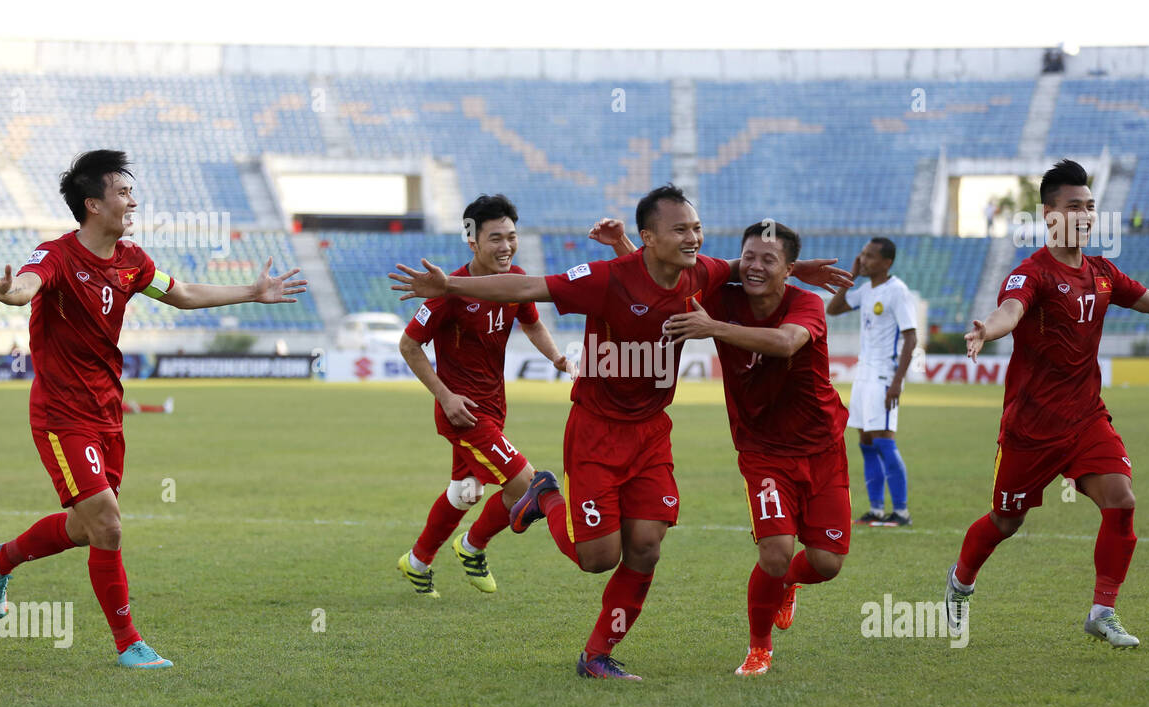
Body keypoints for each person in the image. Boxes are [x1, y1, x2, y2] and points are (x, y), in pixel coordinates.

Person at [390, 185, 848, 680]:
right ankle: (544, 497)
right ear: (649, 237)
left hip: (652, 432)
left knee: (647, 546)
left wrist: (794, 268)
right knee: (597, 559)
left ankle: (597, 655)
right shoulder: (605, 279)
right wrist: (451, 287)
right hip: (597, 431)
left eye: (696, 228)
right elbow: (530, 288)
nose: (694, 237)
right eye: (682, 229)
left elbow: (743, 267)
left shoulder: (701, 272)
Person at [0, 150, 307, 668]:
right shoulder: (56, 255)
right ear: (92, 205)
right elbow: (27, 285)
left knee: (87, 529)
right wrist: (6, 290)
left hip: (108, 412)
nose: (133, 201)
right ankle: (129, 643)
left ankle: (1, 557)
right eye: (123, 193)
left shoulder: (132, 260)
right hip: (63, 417)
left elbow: (182, 293)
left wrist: (252, 291)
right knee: (107, 523)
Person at [945, 159, 1149, 648]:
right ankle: (960, 582)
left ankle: (1103, 611)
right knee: (1006, 522)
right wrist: (985, 330)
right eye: (1074, 206)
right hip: (1031, 429)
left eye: (1091, 206)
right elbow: (1010, 311)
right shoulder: (1029, 273)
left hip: (1086, 420)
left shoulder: (1102, 273)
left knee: (1121, 502)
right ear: (1049, 214)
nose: (1086, 215)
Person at [662, 221, 852, 676]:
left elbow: (786, 343)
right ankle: (758, 648)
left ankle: (788, 585)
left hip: (822, 448)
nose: (756, 266)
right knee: (775, 552)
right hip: (763, 452)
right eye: (749, 256)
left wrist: (715, 328)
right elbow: (659, 283)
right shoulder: (723, 297)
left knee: (826, 564)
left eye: (769, 260)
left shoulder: (806, 304)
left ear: (789, 270)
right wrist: (626, 244)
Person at [396, 194, 574, 597]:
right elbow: (408, 345)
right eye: (496, 238)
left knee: (466, 492)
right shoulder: (447, 291)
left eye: (511, 236)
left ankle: (417, 561)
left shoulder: (514, 282)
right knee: (528, 485)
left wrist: (557, 357)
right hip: (464, 414)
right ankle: (473, 545)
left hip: (495, 406)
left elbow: (531, 324)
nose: (506, 246)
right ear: (472, 242)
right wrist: (445, 396)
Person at [826, 238, 917, 527]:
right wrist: (851, 275)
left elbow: (911, 337)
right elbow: (834, 309)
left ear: (886, 263)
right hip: (863, 374)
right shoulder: (866, 290)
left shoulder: (897, 292)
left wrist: (896, 382)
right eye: (862, 255)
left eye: (869, 257)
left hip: (883, 376)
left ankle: (901, 512)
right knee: (866, 442)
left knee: (883, 441)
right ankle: (876, 509)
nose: (863, 259)